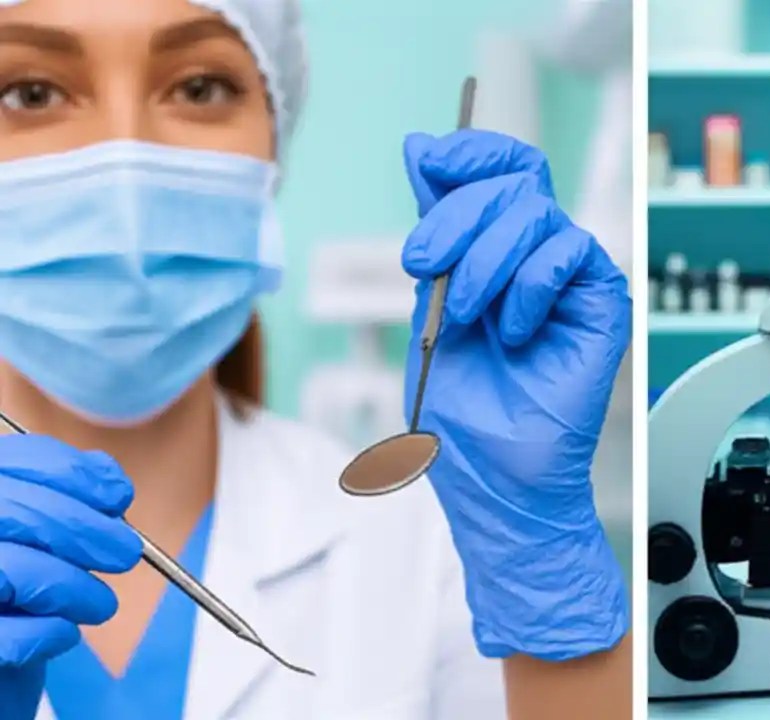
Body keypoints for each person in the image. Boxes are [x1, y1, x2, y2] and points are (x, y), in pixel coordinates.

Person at [0, 1, 632, 719]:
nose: (123, 161)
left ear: (274, 146)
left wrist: (539, 573)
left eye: (199, 87)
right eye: (30, 92)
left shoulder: (410, 548)